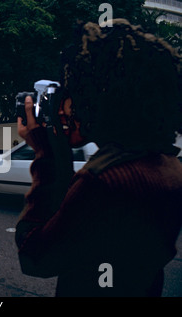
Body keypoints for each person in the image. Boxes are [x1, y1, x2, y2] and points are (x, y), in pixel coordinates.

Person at [15, 19, 182, 297]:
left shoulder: (104, 179)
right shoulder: (167, 164)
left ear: (95, 97)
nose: (62, 107)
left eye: (71, 92)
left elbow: (34, 258)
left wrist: (46, 153)